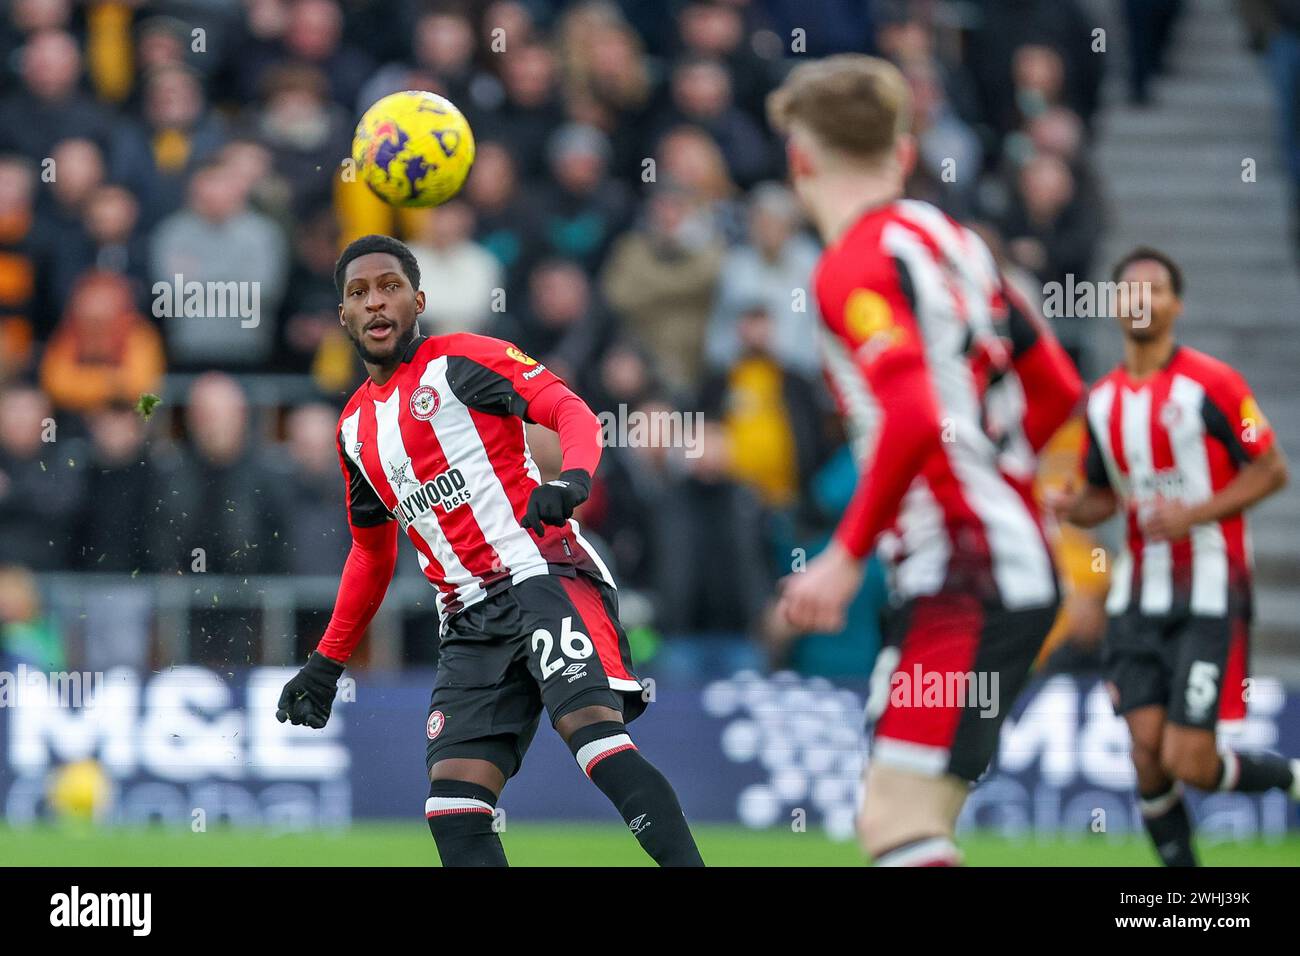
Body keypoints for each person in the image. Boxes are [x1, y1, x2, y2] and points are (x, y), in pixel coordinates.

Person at [275, 234, 703, 868]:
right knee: (454, 809)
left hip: (543, 577)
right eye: (358, 293)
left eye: (390, 286)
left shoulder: (462, 361)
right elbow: (372, 555)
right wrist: (327, 662)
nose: (375, 303)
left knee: (596, 744)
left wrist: (574, 479)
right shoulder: (355, 433)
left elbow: (569, 410)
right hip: (467, 622)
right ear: (342, 315)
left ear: (418, 299)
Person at [767, 55, 1082, 866]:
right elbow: (1056, 389)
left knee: (898, 826)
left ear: (800, 158)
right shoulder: (958, 245)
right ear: (903, 153)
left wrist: (843, 556)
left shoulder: (852, 265)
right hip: (993, 558)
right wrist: (1013, 490)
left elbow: (914, 413)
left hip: (965, 570)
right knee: (904, 822)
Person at [1048, 246, 1299, 866]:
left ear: (1175, 305)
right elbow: (1102, 497)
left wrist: (1193, 513)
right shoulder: (1102, 402)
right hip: (1135, 598)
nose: (1141, 300)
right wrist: (1069, 506)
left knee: (1188, 761)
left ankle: (1291, 777)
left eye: (1155, 289)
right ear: (1112, 305)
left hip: (1208, 594)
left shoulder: (1214, 384)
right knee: (1143, 750)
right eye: (1129, 290)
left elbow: (1270, 470)